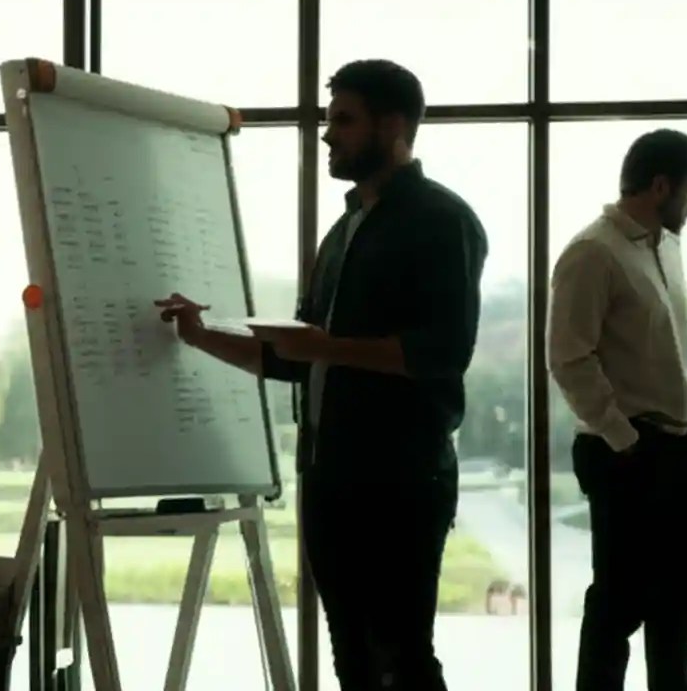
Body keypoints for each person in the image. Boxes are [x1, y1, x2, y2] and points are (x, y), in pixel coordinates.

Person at [157, 59, 487, 691]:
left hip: (401, 480)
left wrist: (327, 347)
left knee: (401, 656)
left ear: (393, 126)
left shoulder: (443, 221)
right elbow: (297, 360)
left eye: (343, 120)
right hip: (330, 478)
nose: (328, 135)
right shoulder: (341, 234)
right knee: (352, 658)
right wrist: (200, 337)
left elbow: (440, 353)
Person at [548, 129, 687, 691]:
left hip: (677, 445)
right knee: (618, 606)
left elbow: (662, 352)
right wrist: (624, 439)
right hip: (626, 451)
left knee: (680, 601)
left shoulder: (665, 245)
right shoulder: (593, 251)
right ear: (659, 185)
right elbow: (569, 357)